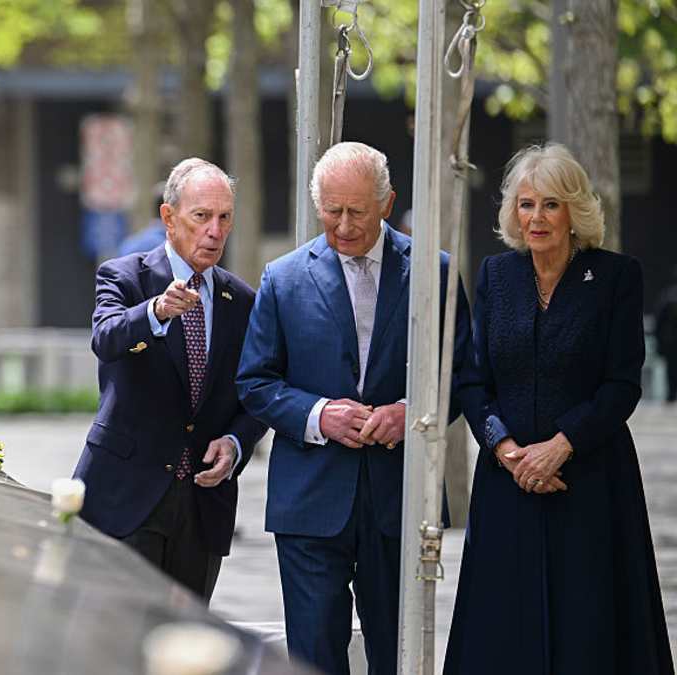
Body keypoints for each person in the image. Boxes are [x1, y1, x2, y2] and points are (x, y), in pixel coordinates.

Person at [236, 142, 472, 675]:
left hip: (399, 499)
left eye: (357, 211)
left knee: (397, 654)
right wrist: (319, 415)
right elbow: (254, 381)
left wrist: (410, 414)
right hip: (310, 502)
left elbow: (463, 374)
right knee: (313, 656)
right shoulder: (283, 278)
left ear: (387, 203)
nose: (342, 225)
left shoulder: (434, 274)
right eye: (332, 210)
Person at [444, 144, 673, 674]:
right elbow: (474, 380)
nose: (537, 217)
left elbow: (622, 385)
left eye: (551, 204)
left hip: (591, 480)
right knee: (502, 628)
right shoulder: (496, 276)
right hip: (507, 482)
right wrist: (505, 449)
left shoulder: (617, 277)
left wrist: (560, 447)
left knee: (590, 628)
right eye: (526, 204)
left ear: (574, 212)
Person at [73, 158, 267, 600]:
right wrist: (156, 312)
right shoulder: (125, 276)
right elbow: (106, 338)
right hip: (125, 497)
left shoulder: (241, 300)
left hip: (201, 507)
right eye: (201, 217)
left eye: (224, 218)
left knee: (187, 646)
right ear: (168, 217)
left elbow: (257, 390)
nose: (214, 231)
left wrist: (237, 442)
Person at [655, 266, 677, 403]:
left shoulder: (667, 296)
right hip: (671, 340)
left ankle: (671, 394)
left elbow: (659, 322)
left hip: (670, 341)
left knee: (671, 370)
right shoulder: (668, 297)